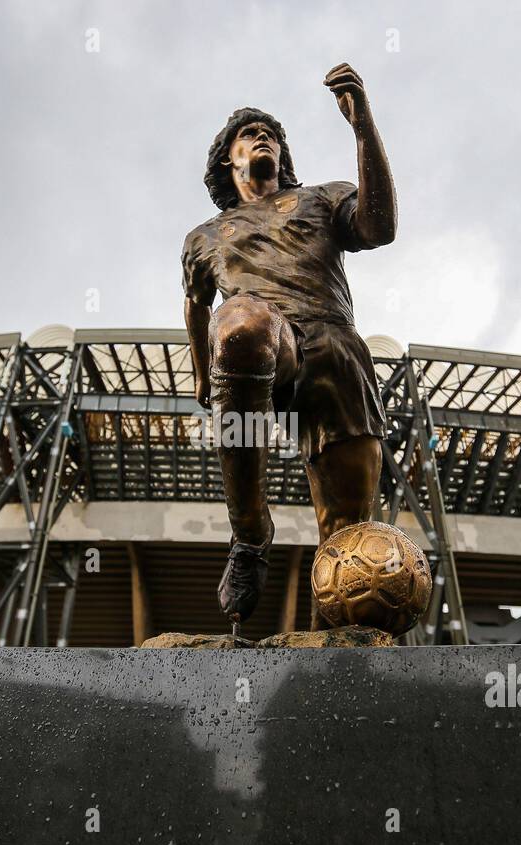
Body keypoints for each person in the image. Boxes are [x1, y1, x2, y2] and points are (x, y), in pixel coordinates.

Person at [181, 63, 397, 625]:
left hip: (336, 348)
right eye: (249, 135)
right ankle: (250, 534)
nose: (263, 138)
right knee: (241, 325)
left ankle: (335, 661)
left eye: (271, 134)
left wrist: (363, 128)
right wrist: (205, 374)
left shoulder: (320, 198)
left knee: (348, 543)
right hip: (272, 344)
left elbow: (378, 228)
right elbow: (197, 303)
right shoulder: (205, 237)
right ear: (228, 160)